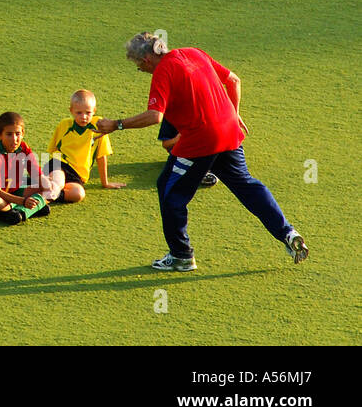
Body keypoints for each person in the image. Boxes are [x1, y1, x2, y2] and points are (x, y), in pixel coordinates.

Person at [97, 32, 307, 270]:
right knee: (246, 185)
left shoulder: (163, 72)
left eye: (137, 65)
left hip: (201, 140)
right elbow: (234, 81)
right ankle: (287, 233)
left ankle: (181, 256)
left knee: (169, 190)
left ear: (146, 59)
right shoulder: (193, 53)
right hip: (228, 131)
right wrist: (234, 113)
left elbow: (156, 116)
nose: (138, 70)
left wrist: (116, 124)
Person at [42, 89, 124, 203]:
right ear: (71, 111)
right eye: (79, 113)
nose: (83, 117)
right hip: (59, 165)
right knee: (58, 183)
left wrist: (105, 183)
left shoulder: (99, 128)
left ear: (94, 111)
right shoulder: (64, 125)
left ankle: (42, 190)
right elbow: (53, 150)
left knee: (78, 194)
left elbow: (101, 156)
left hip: (77, 175)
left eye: (88, 112)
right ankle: (32, 207)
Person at [0, 112, 50, 224]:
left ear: (23, 133)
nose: (14, 139)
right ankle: (27, 209)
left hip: (14, 191)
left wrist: (47, 187)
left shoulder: (24, 147)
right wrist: (23, 201)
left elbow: (36, 173)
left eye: (17, 134)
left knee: (48, 187)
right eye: (9, 134)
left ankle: (18, 212)